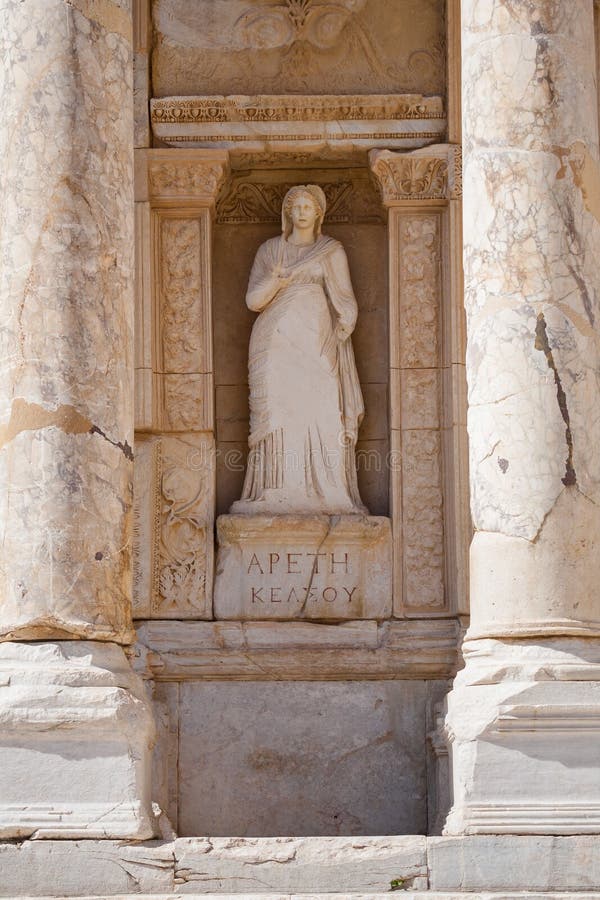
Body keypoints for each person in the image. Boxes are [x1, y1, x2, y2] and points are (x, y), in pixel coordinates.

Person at [231, 184, 367, 515]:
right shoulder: (270, 250)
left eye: (308, 206)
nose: (302, 212)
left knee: (322, 408)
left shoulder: (331, 251)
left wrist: (347, 320)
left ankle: (331, 490)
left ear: (319, 213)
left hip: (317, 338)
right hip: (274, 342)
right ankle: (275, 489)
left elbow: (346, 298)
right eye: (297, 206)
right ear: (287, 213)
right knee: (278, 411)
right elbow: (253, 301)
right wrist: (276, 281)